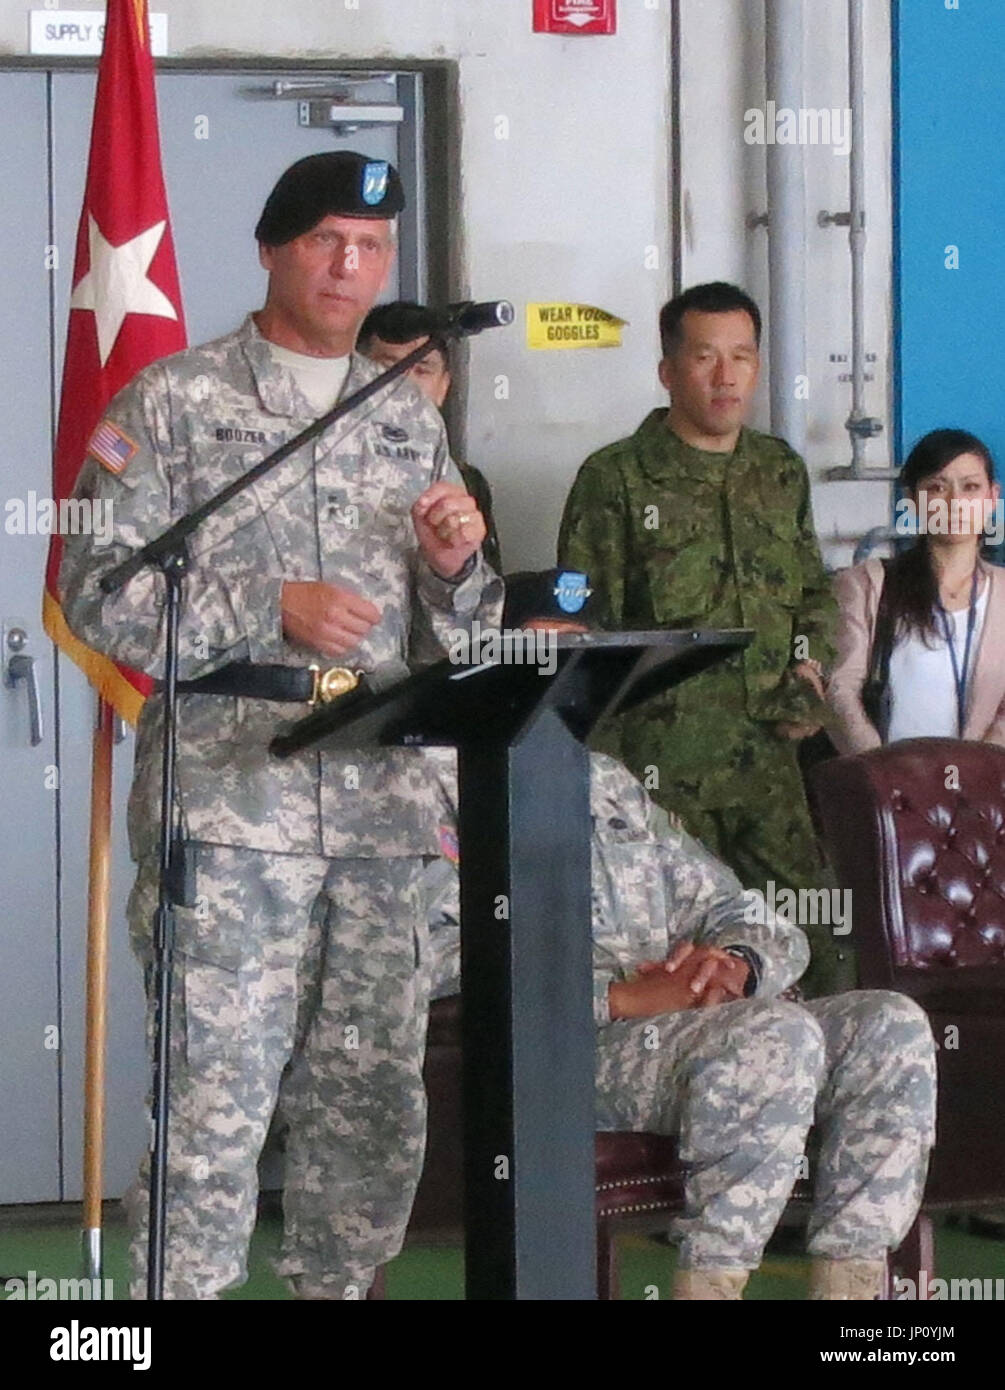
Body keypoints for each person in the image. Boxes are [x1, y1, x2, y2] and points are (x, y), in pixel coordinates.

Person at [58, 150, 503, 1300]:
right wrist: (266, 608)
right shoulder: (172, 402)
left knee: (369, 1113)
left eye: (373, 248)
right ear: (270, 248)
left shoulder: (406, 419)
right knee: (215, 1111)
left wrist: (459, 570)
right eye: (326, 243)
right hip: (230, 806)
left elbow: (470, 631)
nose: (351, 268)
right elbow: (98, 593)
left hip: (383, 817)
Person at [423, 571, 937, 1300]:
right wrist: (625, 998)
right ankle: (709, 1286)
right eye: (538, 654)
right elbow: (428, 966)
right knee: (771, 1038)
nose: (562, 679)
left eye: (582, 657)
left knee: (888, 1024)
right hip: (556, 1051)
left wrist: (733, 965)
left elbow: (750, 915)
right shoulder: (432, 789)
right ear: (486, 657)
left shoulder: (607, 784)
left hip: (680, 1033)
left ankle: (854, 1297)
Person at [558, 281, 844, 995]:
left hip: (770, 769)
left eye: (742, 358)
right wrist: (616, 790)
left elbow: (812, 593)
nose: (725, 377)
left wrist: (812, 671)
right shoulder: (615, 478)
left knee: (817, 951)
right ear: (667, 370)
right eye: (705, 358)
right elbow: (580, 643)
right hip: (664, 781)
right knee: (686, 974)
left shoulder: (778, 471)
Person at [828, 428, 1005, 753]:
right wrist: (883, 774)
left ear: (992, 498)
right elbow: (840, 689)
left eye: (971, 487)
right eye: (937, 488)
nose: (955, 503)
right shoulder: (867, 584)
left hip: (981, 791)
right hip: (887, 787)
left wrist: (976, 773)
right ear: (911, 499)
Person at [358, 299, 503, 573]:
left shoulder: (466, 482)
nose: (405, 384)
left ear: (443, 387)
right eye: (388, 368)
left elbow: (480, 595)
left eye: (422, 370)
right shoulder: (323, 459)